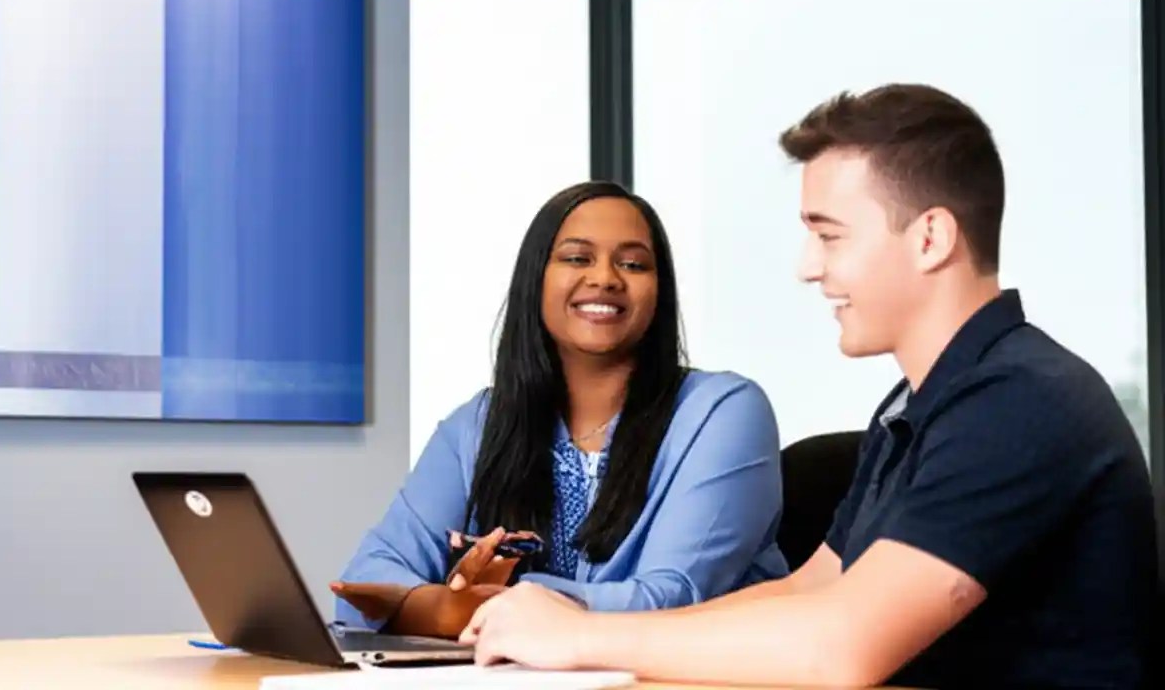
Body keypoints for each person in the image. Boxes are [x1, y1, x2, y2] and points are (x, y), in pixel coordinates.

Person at [460, 84, 1158, 688]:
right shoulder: (919, 404)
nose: (807, 267)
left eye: (829, 236)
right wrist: (578, 621)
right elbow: (810, 591)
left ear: (930, 239)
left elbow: (842, 644)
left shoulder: (1018, 401)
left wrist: (579, 639)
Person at [331, 180, 788, 639]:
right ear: (535, 279)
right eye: (577, 258)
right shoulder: (478, 425)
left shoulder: (723, 413)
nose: (606, 278)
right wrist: (450, 609)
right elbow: (364, 584)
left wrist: (485, 604)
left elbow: (671, 598)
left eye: (633, 264)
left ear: (660, 290)